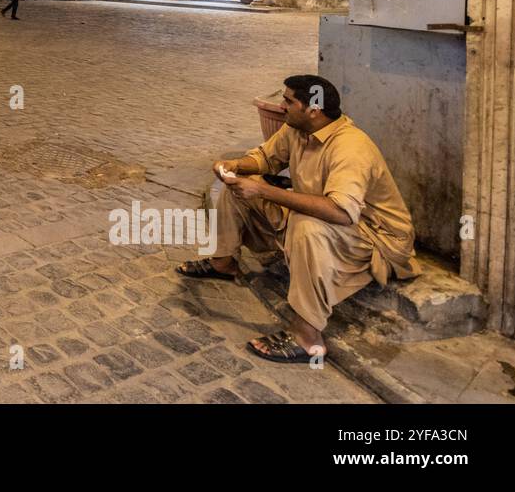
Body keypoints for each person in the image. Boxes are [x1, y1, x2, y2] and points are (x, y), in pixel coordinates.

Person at [176, 74, 420, 363]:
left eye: (289, 101)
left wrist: (264, 190)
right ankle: (223, 263)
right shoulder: (298, 129)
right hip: (328, 215)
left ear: (313, 109)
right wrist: (235, 166)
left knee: (307, 226)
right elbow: (266, 159)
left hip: (375, 236)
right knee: (239, 189)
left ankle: (307, 337)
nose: (281, 106)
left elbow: (340, 212)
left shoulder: (351, 148)